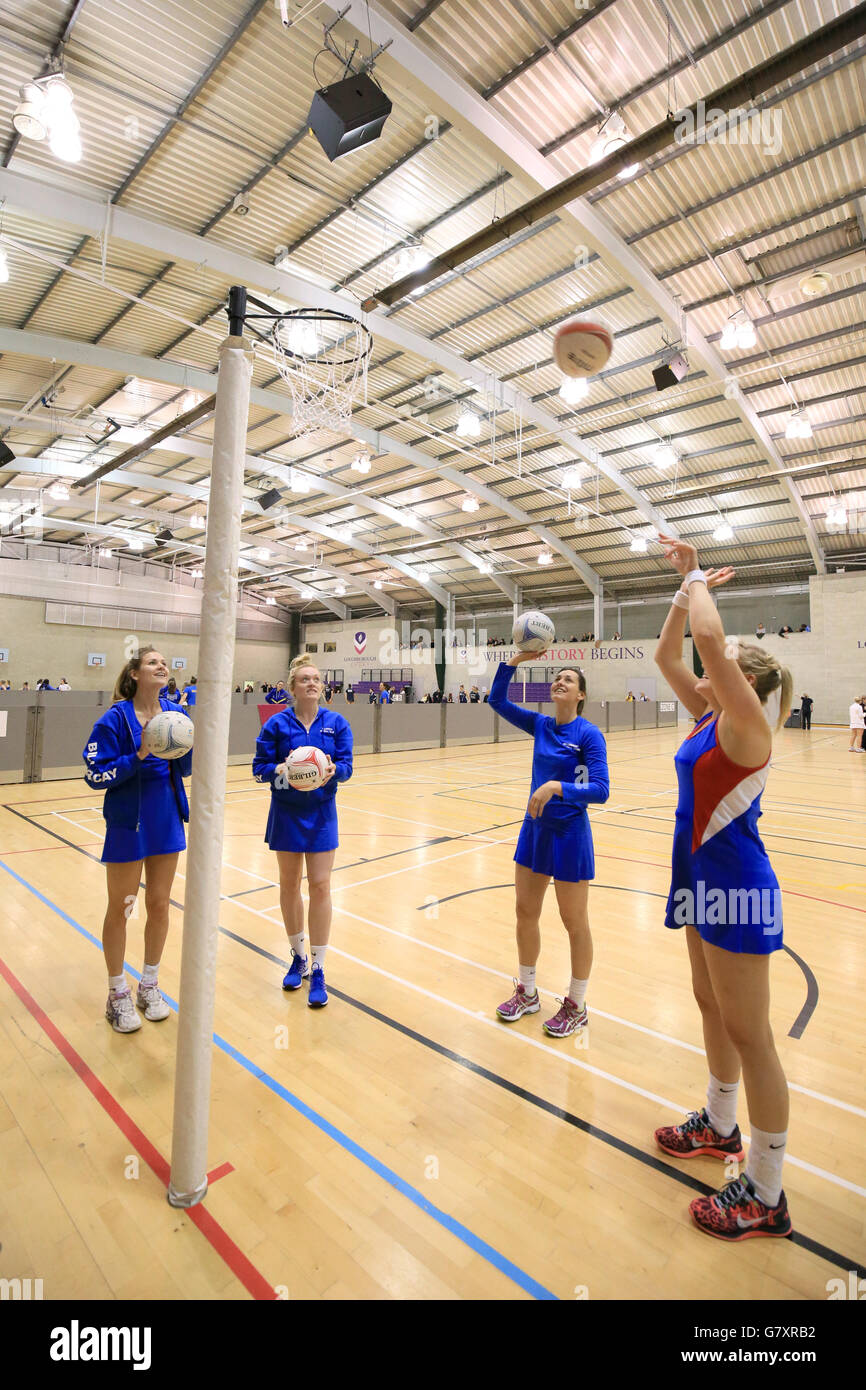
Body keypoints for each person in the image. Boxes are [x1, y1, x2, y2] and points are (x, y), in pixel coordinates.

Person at [654, 536, 794, 1241]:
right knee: (709, 1005)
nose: (715, 661)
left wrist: (700, 574)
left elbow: (708, 637)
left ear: (744, 685)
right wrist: (683, 588)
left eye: (727, 664)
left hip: (738, 887)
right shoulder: (708, 715)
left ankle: (767, 1190)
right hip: (697, 877)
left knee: (752, 1033)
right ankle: (718, 1123)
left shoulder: (746, 726)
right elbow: (670, 654)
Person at [490, 648, 609, 1038]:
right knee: (525, 912)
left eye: (568, 679)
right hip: (534, 831)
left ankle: (577, 1004)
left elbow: (601, 790)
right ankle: (527, 991)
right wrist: (516, 661)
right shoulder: (541, 725)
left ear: (580, 695)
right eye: (557, 678)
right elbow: (496, 700)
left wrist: (558, 787)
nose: (560, 682)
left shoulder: (589, 735)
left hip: (570, 835)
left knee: (574, 922)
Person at [82, 646, 192, 1034]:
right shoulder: (114, 719)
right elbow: (95, 775)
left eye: (164, 663)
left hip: (165, 818)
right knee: (122, 907)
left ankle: (149, 984)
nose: (162, 666)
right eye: (152, 663)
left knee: (160, 905)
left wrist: (186, 744)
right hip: (129, 823)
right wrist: (140, 754)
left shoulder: (176, 715)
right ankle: (117, 994)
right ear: (134, 674)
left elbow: (185, 767)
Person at [252, 653, 353, 1009]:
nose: (312, 683)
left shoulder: (336, 722)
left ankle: (320, 967)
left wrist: (332, 771)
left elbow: (348, 766)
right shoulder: (276, 725)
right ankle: (297, 956)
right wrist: (281, 769)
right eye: (305, 679)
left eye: (317, 679)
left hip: (322, 813)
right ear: (293, 687)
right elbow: (258, 767)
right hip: (286, 812)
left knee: (321, 885)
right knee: (290, 884)